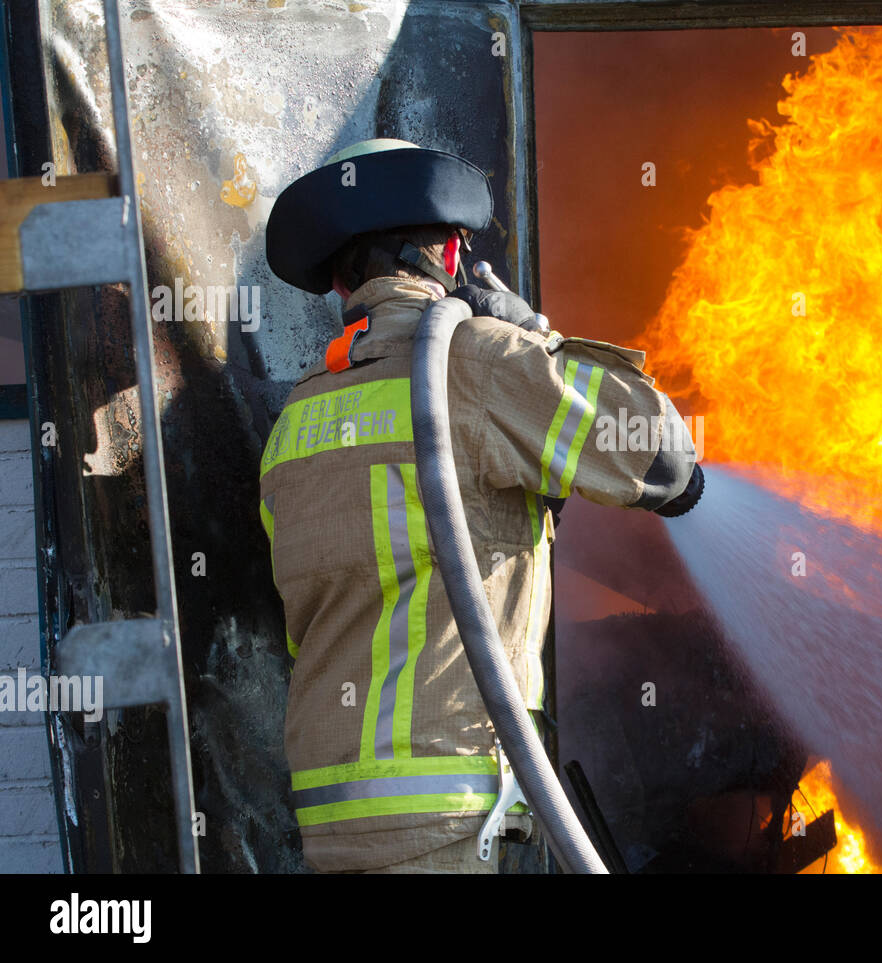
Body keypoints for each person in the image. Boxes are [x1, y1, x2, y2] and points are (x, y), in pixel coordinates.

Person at [259, 138, 703, 873]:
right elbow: (669, 465)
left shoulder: (292, 427)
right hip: (448, 817)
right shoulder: (476, 364)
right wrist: (535, 337)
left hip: (332, 821)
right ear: (453, 253)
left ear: (341, 282)